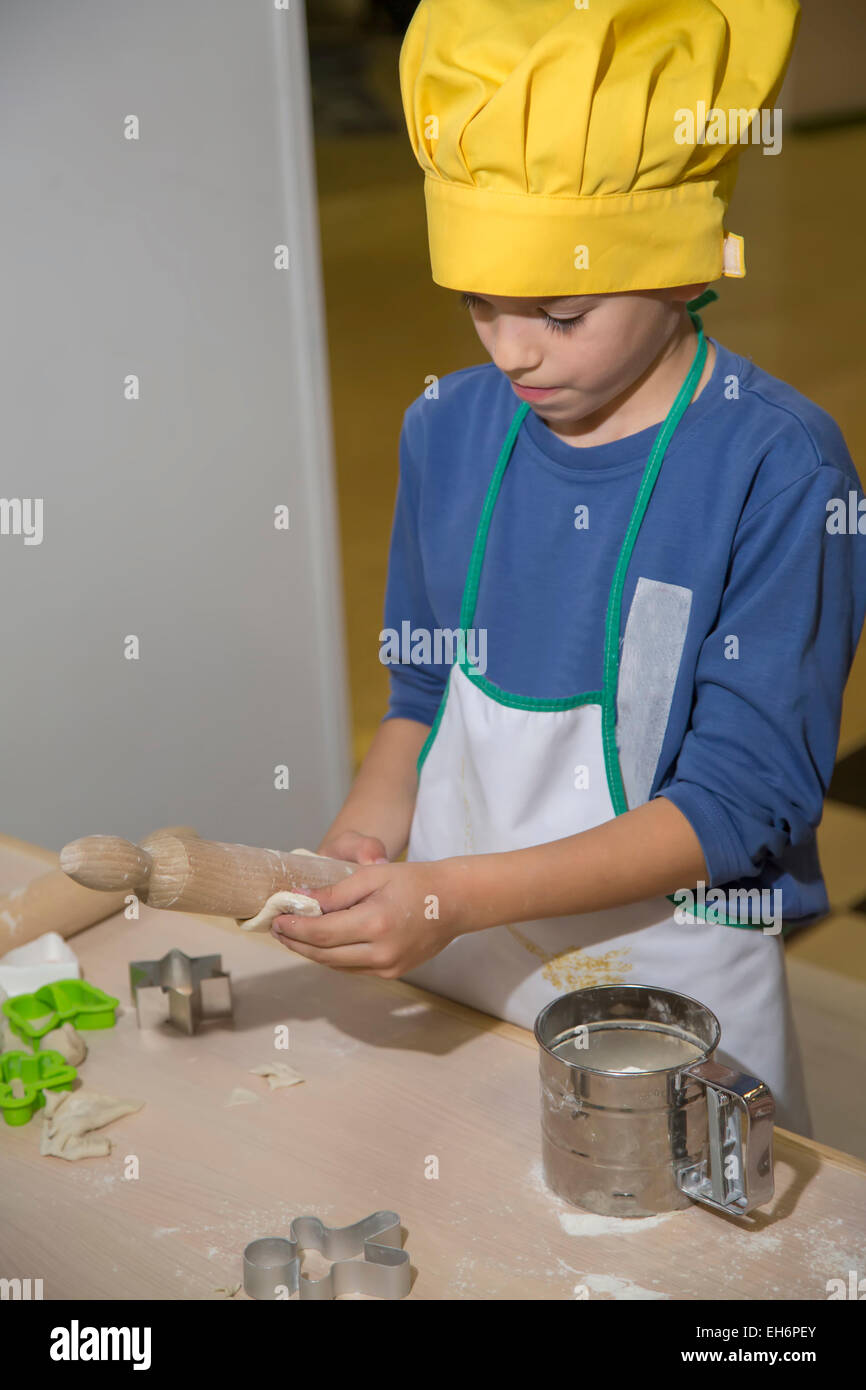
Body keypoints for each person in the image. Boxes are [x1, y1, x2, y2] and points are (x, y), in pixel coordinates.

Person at [270, 0, 866, 1136]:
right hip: (457, 963)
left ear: (684, 267)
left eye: (559, 310)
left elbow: (742, 803)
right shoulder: (444, 424)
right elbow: (423, 691)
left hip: (666, 996)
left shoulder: (776, 465)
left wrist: (450, 894)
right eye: (477, 303)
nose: (511, 350)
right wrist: (368, 827)